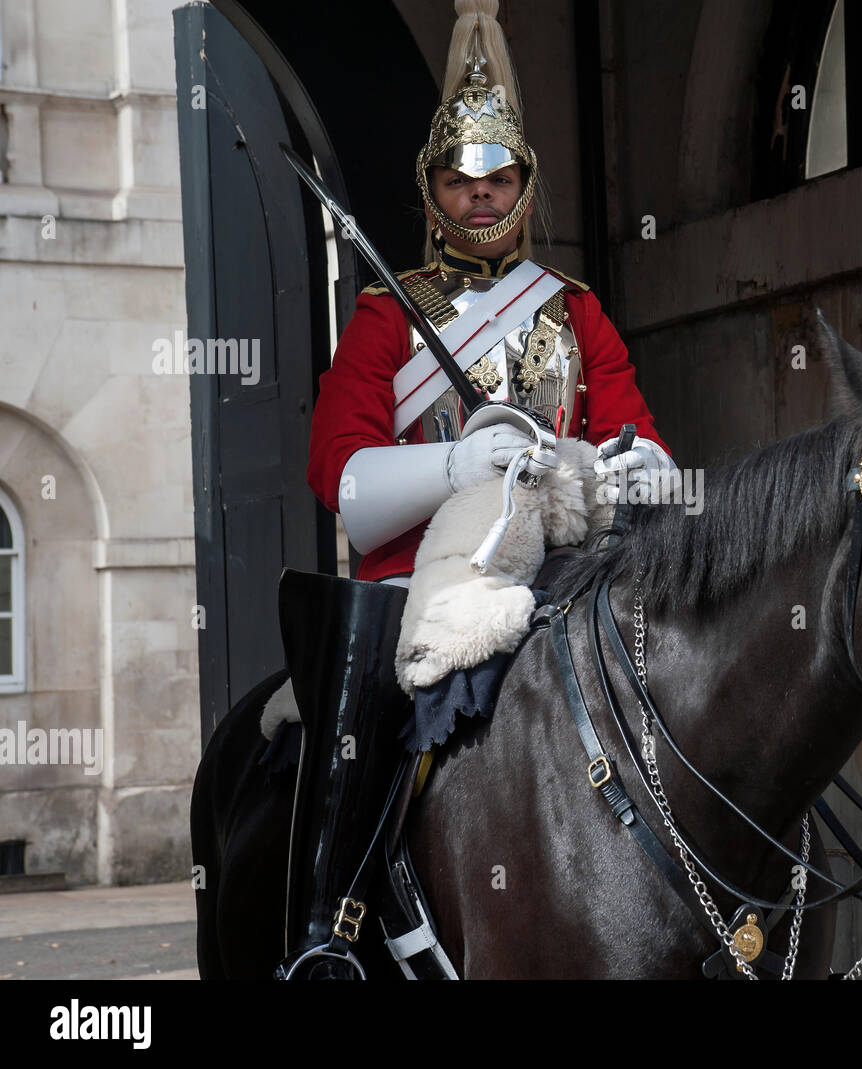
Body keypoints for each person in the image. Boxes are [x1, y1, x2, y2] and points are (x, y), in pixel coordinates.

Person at [278, 0, 672, 978]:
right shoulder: (384, 320)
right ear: (431, 189)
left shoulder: (576, 315)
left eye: (500, 179)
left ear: (526, 187)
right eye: (462, 179)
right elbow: (345, 481)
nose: (482, 197)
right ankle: (331, 927)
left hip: (571, 566)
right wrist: (464, 462)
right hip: (424, 584)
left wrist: (628, 466)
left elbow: (647, 447)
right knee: (363, 706)